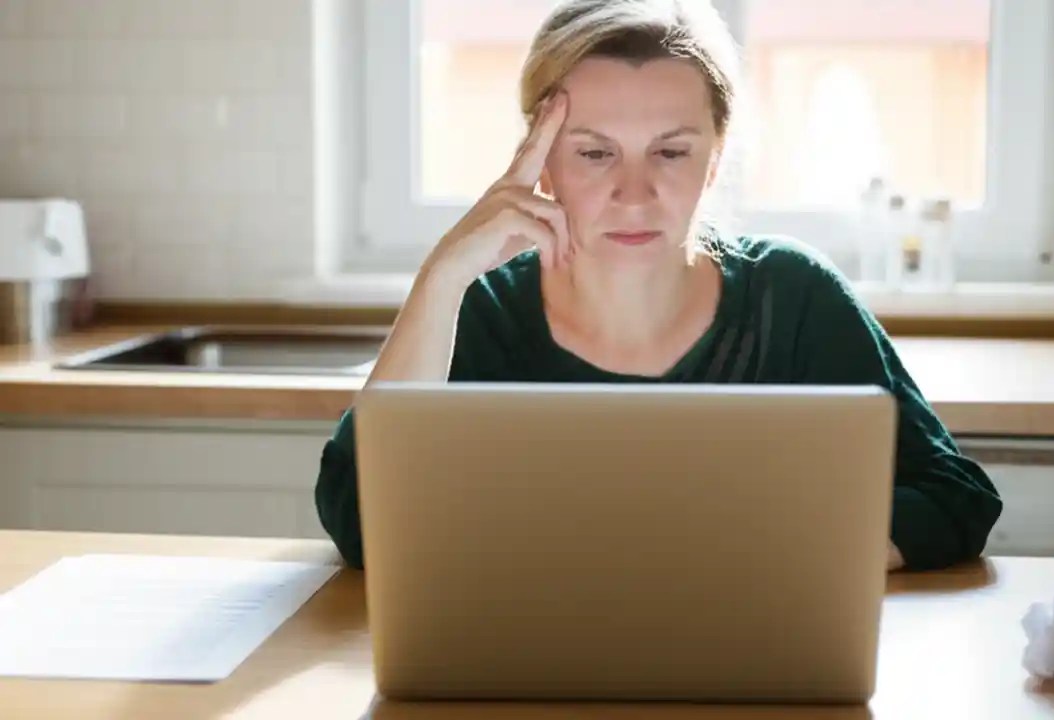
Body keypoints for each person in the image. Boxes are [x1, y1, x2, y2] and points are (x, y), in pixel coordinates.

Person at [315, 0, 1002, 573]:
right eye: (594, 153)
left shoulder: (794, 299)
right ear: (540, 160)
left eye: (671, 152)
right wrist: (441, 279)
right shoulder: (479, 315)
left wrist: (770, 556)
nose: (635, 194)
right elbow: (358, 519)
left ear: (714, 160)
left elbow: (955, 497)